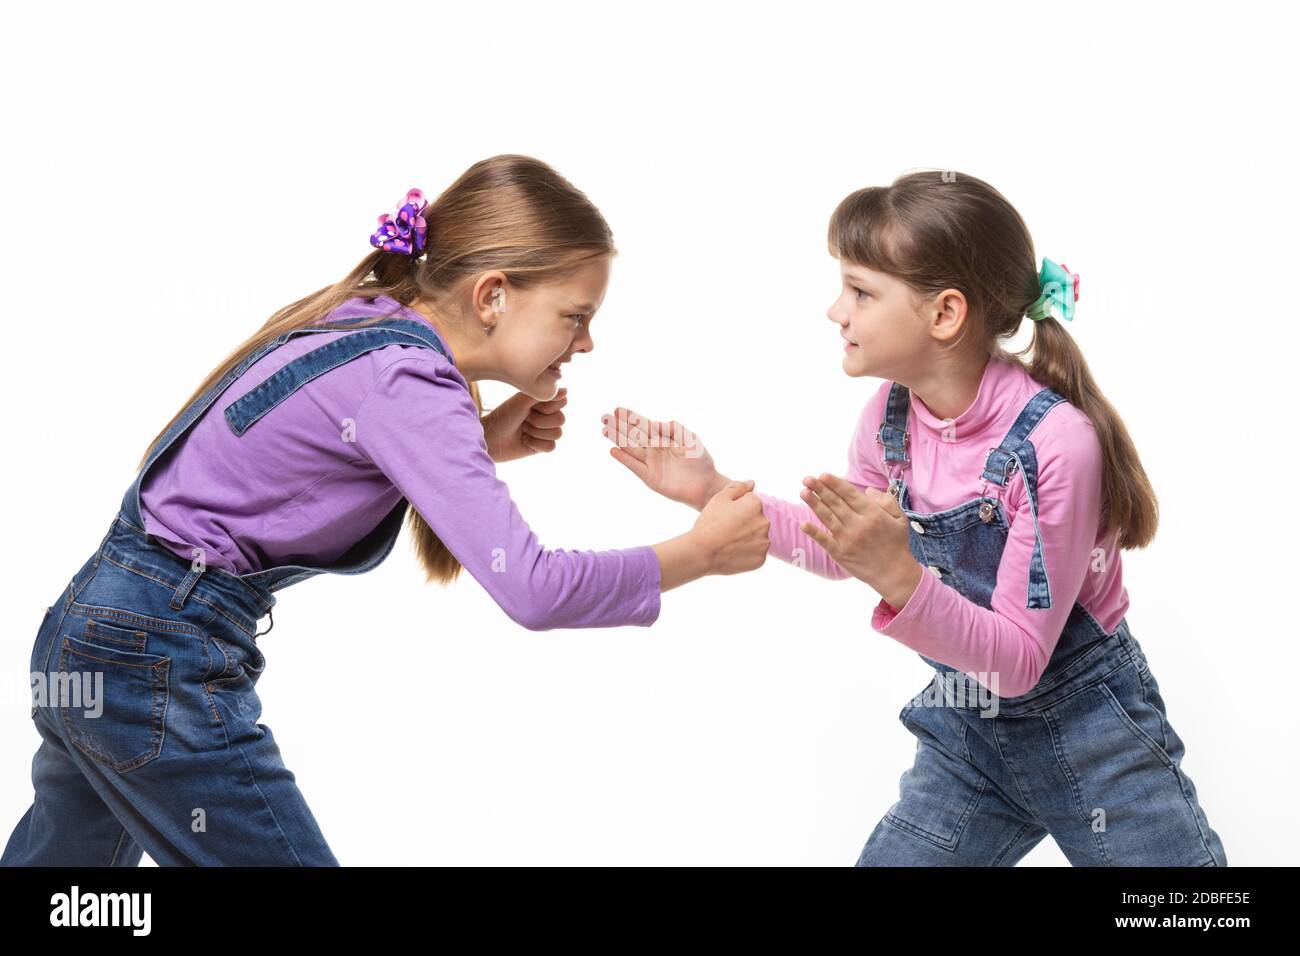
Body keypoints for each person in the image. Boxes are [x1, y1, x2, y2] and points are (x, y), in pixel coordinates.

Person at [2, 155, 769, 866]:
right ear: (493, 295)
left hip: (91, 636)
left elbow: (300, 458)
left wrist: (475, 441)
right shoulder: (413, 385)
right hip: (153, 660)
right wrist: (701, 550)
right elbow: (533, 589)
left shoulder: (367, 323)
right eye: (575, 315)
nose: (588, 340)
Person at [602, 169, 1227, 866]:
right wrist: (709, 487)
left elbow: (1019, 662)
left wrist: (900, 575)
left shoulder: (1055, 446)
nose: (836, 311)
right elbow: (844, 550)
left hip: (1092, 739)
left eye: (861, 291)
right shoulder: (888, 421)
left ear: (944, 314)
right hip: (971, 737)